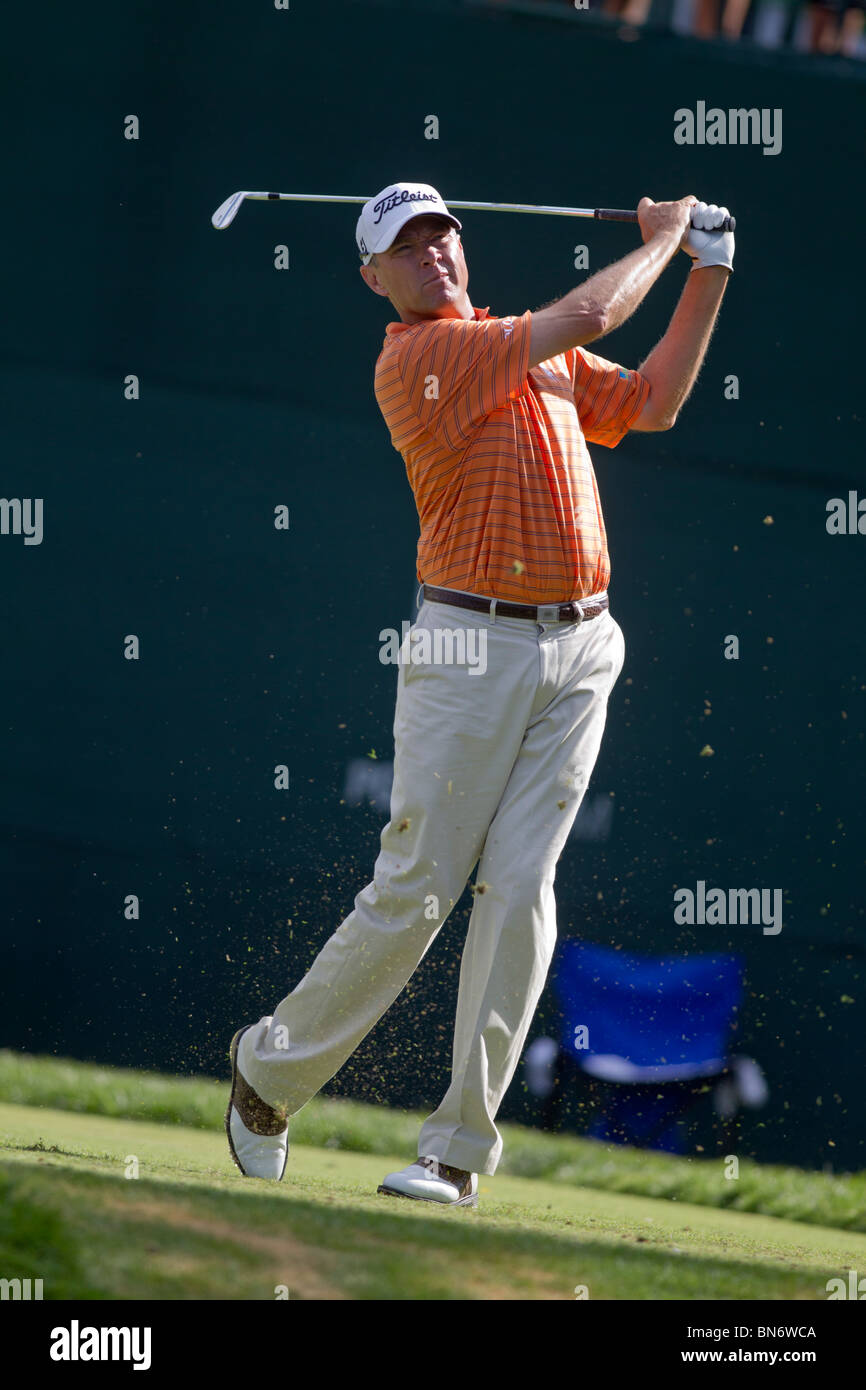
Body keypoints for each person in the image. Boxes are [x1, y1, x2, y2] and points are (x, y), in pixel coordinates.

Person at [225, 180, 734, 1206]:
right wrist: (672, 237)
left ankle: (455, 1152)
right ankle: (268, 1072)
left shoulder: (524, 348)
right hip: (469, 646)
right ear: (376, 279)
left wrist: (709, 274)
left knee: (521, 891)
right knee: (416, 888)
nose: (434, 255)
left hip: (582, 645)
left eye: (441, 235)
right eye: (407, 248)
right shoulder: (420, 358)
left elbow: (652, 401)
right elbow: (593, 312)